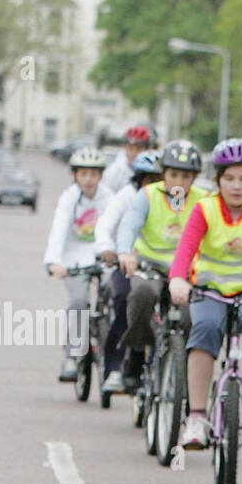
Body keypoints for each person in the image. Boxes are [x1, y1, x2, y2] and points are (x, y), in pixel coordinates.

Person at [169, 138, 242, 448]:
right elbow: (185, 249)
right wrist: (178, 279)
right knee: (205, 329)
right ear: (218, 180)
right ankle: (196, 417)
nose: (236, 186)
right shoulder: (203, 209)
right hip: (211, 291)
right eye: (229, 178)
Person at [114, 140, 209, 389]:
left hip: (187, 272)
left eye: (186, 175)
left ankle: (185, 374)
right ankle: (136, 353)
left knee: (193, 317)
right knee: (142, 295)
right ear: (163, 173)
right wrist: (125, 253)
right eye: (173, 174)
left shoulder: (205, 200)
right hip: (150, 266)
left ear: (195, 178)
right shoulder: (147, 195)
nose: (179, 181)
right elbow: (129, 225)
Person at [95, 148, 162, 393]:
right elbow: (106, 224)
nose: (154, 185)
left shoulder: (173, 200)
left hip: (161, 268)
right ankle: (114, 366)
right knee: (123, 300)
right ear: (139, 179)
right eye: (149, 179)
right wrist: (107, 249)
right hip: (127, 264)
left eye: (159, 179)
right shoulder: (128, 196)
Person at [43, 147, 114, 381]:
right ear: (75, 175)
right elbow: (59, 228)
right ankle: (73, 356)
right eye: (83, 174)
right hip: (73, 258)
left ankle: (110, 348)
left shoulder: (109, 197)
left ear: (100, 176)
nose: (88, 180)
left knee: (112, 294)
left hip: (103, 256)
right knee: (79, 300)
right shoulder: (69, 198)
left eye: (93, 175)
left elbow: (115, 227)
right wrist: (54, 261)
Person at [101, 124, 155, 194]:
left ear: (148, 149)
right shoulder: (114, 172)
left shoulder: (153, 171)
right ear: (124, 148)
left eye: (139, 149)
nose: (133, 153)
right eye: (130, 148)